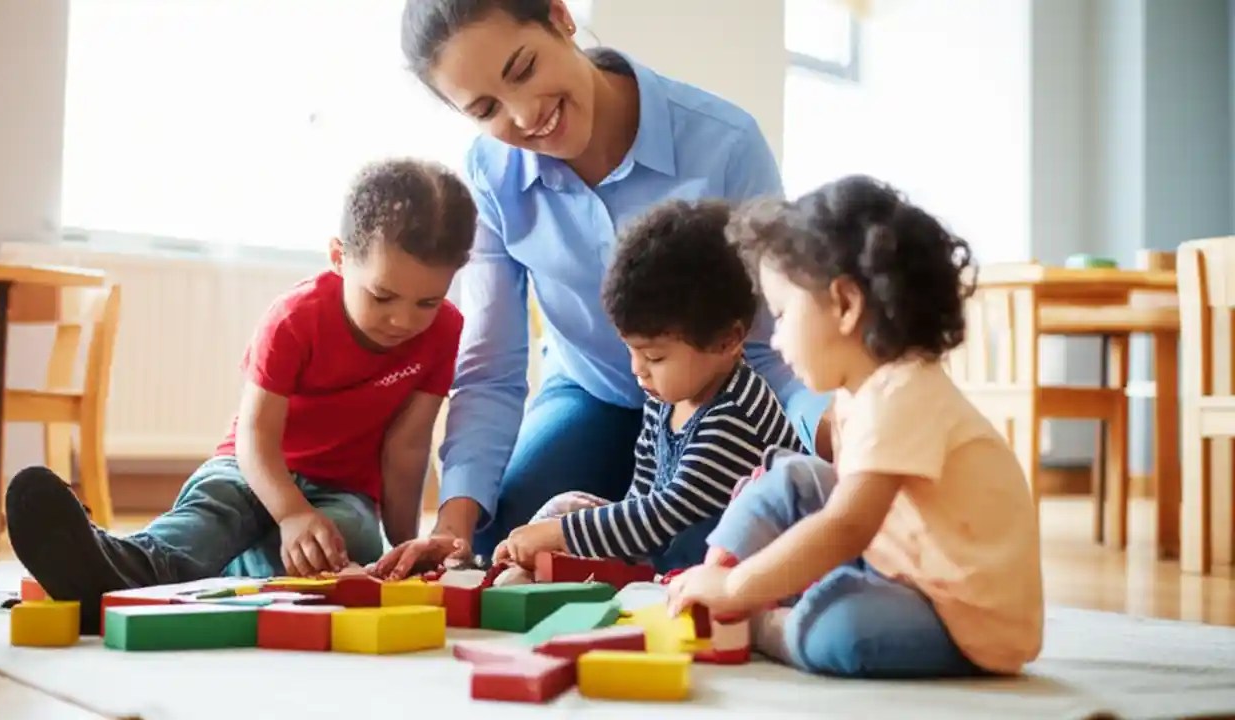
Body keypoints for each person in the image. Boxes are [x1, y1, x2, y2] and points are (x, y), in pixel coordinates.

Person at [373, 0, 832, 578]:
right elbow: (491, 366)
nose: (525, 113)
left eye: (523, 69)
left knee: (739, 536)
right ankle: (619, 517)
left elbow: (768, 345)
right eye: (487, 108)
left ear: (561, 17)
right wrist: (451, 526)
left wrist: (827, 429)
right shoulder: (491, 174)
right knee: (504, 533)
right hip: (591, 390)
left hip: (714, 400)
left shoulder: (726, 143)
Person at [4, 158, 477, 634]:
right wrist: (291, 511)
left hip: (343, 490)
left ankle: (220, 578)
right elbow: (256, 435)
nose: (404, 321)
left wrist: (406, 547)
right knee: (216, 512)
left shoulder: (446, 332)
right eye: (382, 296)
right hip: (254, 468)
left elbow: (407, 447)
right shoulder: (295, 317)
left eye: (428, 303)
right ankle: (125, 567)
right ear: (338, 257)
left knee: (351, 537)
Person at [667, 175, 1044, 678]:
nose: (775, 341)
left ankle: (762, 623)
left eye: (781, 315)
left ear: (845, 305)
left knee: (844, 627)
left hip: (960, 617)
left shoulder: (904, 395)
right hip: (896, 562)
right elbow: (837, 507)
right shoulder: (859, 394)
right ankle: (713, 577)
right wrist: (730, 575)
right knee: (791, 476)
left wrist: (742, 595)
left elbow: (846, 525)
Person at [491, 199, 803, 574]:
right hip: (668, 534)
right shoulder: (665, 397)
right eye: (631, 351)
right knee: (566, 506)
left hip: (751, 558)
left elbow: (665, 513)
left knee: (690, 534)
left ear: (727, 341)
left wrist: (562, 535)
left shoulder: (734, 414)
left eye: (654, 357)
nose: (638, 370)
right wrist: (569, 533)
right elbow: (642, 493)